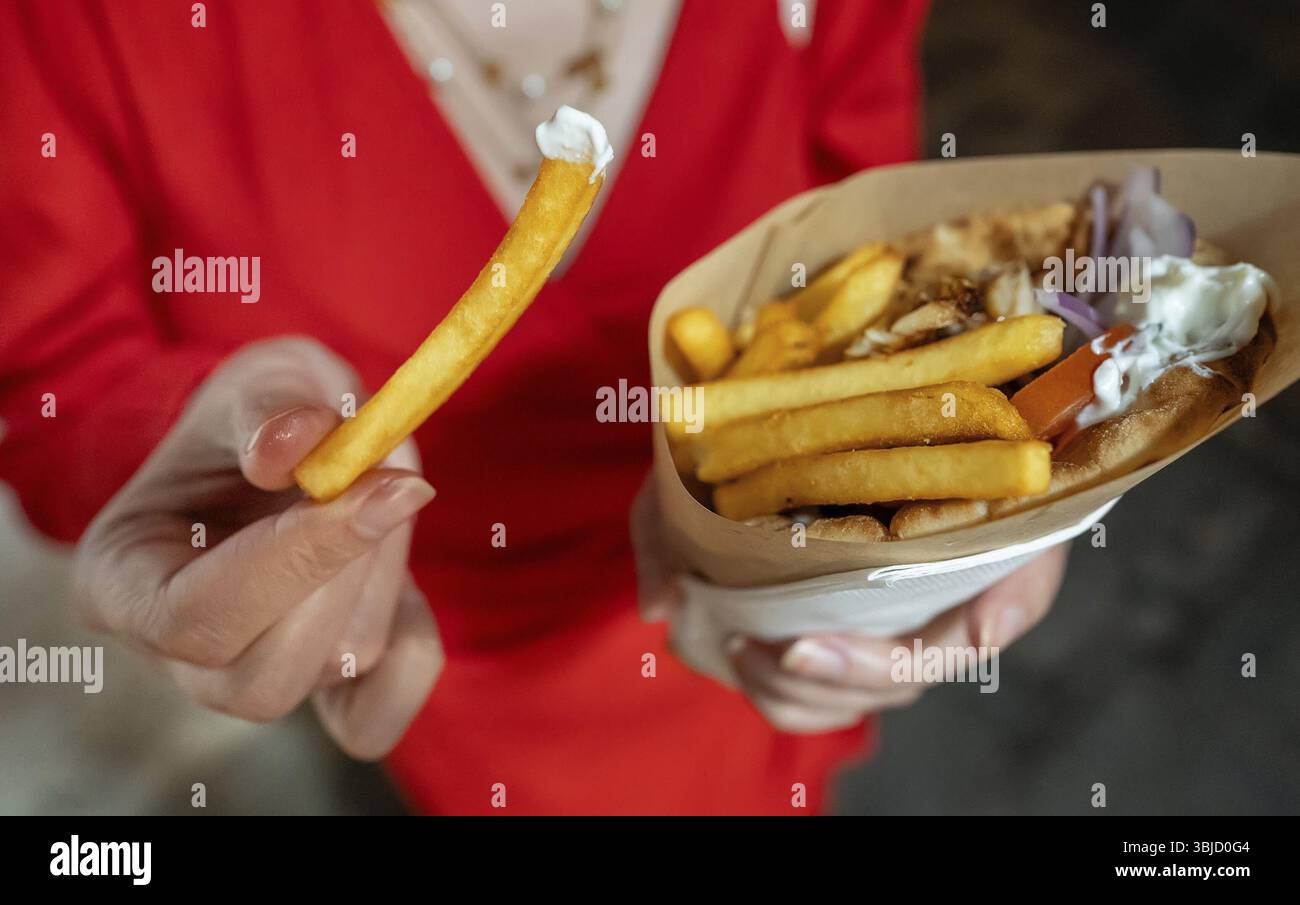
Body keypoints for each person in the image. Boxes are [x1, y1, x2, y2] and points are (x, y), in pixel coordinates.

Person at [0, 0, 1066, 815]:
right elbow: (54, 376)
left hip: (784, 577)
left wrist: (996, 461)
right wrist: (204, 478)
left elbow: (864, 217)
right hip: (466, 661)